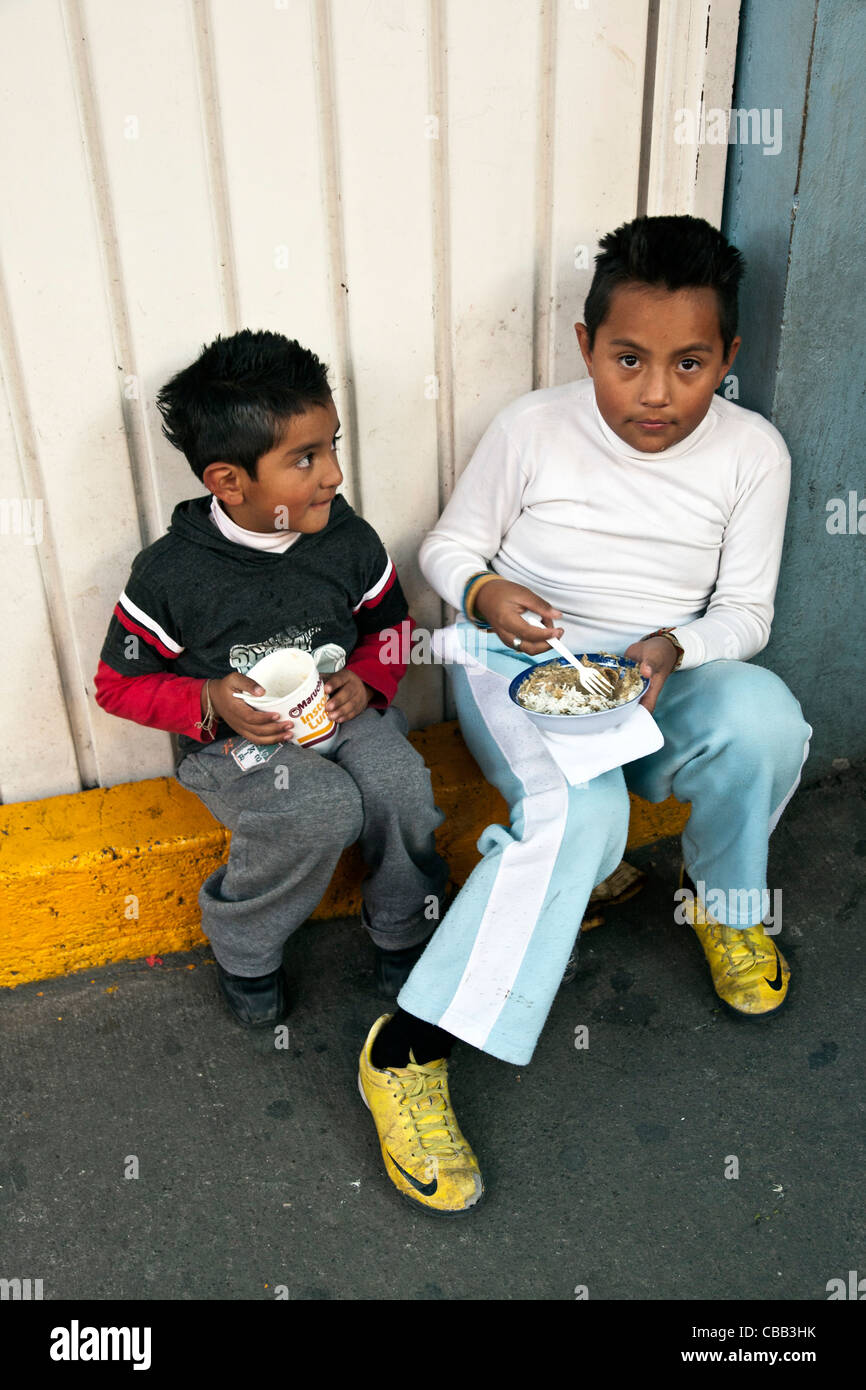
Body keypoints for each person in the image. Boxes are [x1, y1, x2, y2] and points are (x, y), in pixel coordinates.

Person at [358, 215, 812, 1216]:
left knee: (766, 718)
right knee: (585, 816)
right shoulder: (532, 426)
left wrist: (670, 649)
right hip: (518, 668)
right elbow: (447, 546)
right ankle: (407, 1046)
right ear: (583, 347)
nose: (655, 392)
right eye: (627, 360)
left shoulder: (752, 454)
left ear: (726, 356)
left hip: (651, 673)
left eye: (689, 363)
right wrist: (482, 594)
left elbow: (744, 611)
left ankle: (726, 909)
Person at [94, 329, 449, 1026]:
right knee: (321, 808)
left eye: (334, 446)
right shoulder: (173, 575)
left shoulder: (347, 540)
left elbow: (395, 628)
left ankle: (404, 927)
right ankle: (246, 949)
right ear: (228, 480)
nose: (334, 475)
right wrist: (208, 699)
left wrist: (370, 681)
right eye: (306, 459)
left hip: (343, 716)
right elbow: (117, 685)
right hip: (236, 747)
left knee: (399, 783)